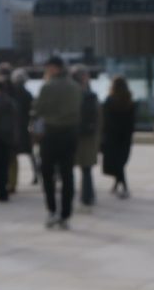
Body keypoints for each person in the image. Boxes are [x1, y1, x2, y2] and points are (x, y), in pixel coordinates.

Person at [33, 56, 82, 229]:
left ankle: (52, 210)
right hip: (70, 134)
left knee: (47, 174)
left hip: (51, 134)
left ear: (54, 68)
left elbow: (37, 110)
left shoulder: (48, 86)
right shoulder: (75, 87)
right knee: (67, 174)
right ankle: (66, 214)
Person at [100, 76, 135, 199]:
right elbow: (132, 122)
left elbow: (105, 120)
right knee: (120, 163)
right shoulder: (129, 100)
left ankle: (123, 186)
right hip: (125, 137)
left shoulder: (109, 101)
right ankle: (119, 185)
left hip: (112, 136)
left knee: (115, 163)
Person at [72, 65, 101, 208]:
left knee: (69, 167)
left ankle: (73, 194)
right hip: (89, 136)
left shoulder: (71, 93)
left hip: (72, 134)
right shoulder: (91, 95)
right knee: (87, 168)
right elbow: (98, 116)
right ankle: (88, 196)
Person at [8, 67, 37, 191]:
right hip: (24, 127)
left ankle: (11, 181)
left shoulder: (10, 93)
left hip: (13, 128)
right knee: (31, 154)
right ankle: (36, 175)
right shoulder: (28, 94)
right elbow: (33, 111)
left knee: (12, 156)